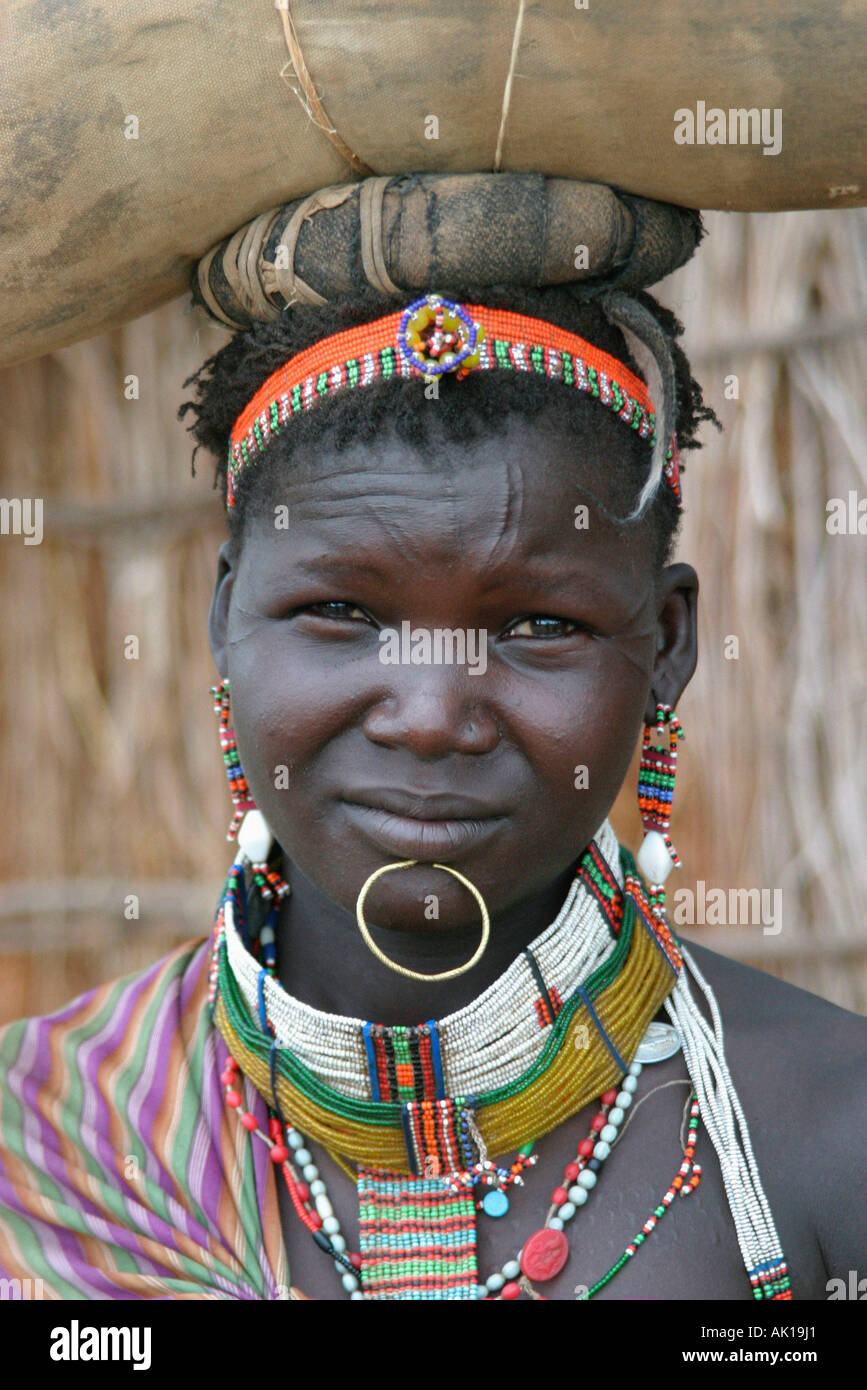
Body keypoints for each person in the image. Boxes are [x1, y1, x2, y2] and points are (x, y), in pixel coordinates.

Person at [0, 282, 864, 1302]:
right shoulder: (46, 1137)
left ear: (666, 644)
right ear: (226, 613)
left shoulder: (828, 1130)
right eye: (338, 610)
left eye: (539, 625)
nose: (429, 714)